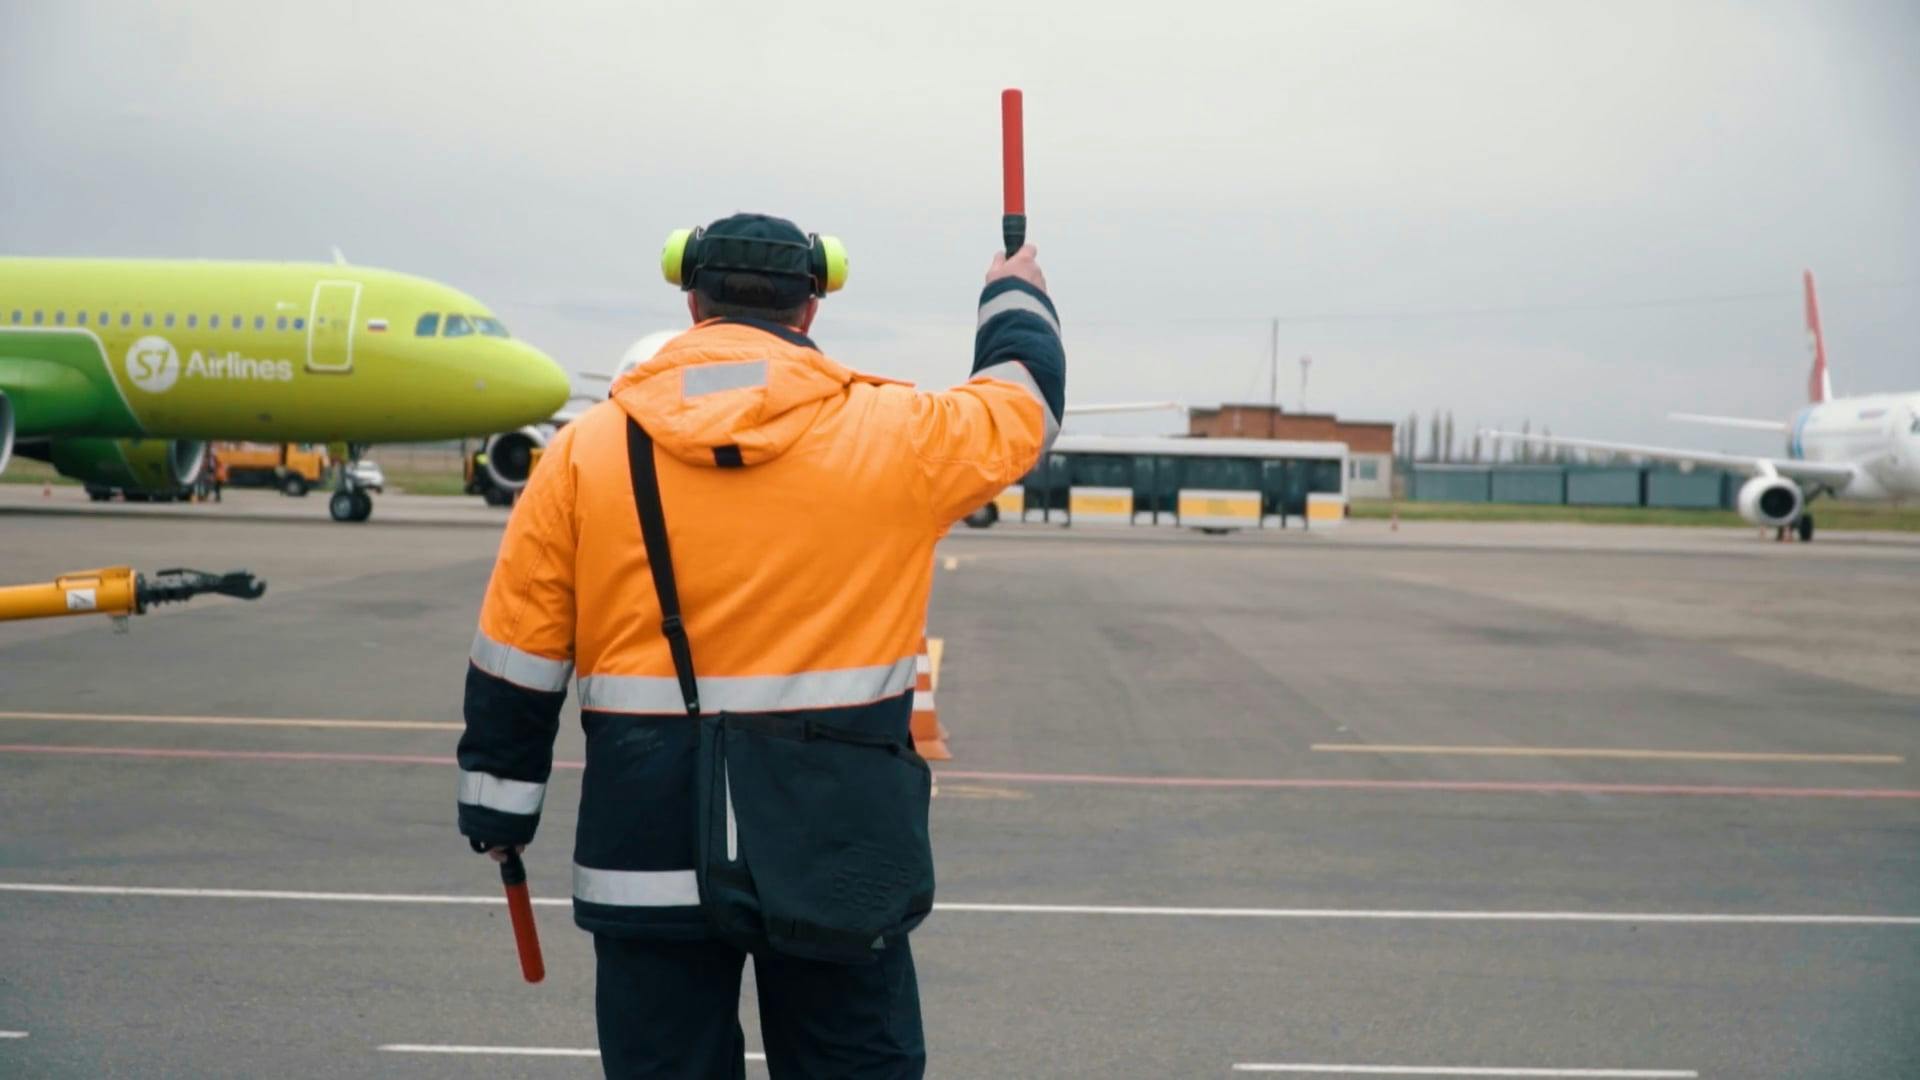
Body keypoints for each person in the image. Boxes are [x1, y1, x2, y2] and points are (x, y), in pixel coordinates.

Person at [456, 212, 1064, 1078]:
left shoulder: (585, 452)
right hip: (835, 851)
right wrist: (1014, 292)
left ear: (689, 297)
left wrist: (500, 813)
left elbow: (517, 655)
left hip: (645, 852)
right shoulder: (899, 436)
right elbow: (1023, 409)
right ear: (812, 303)